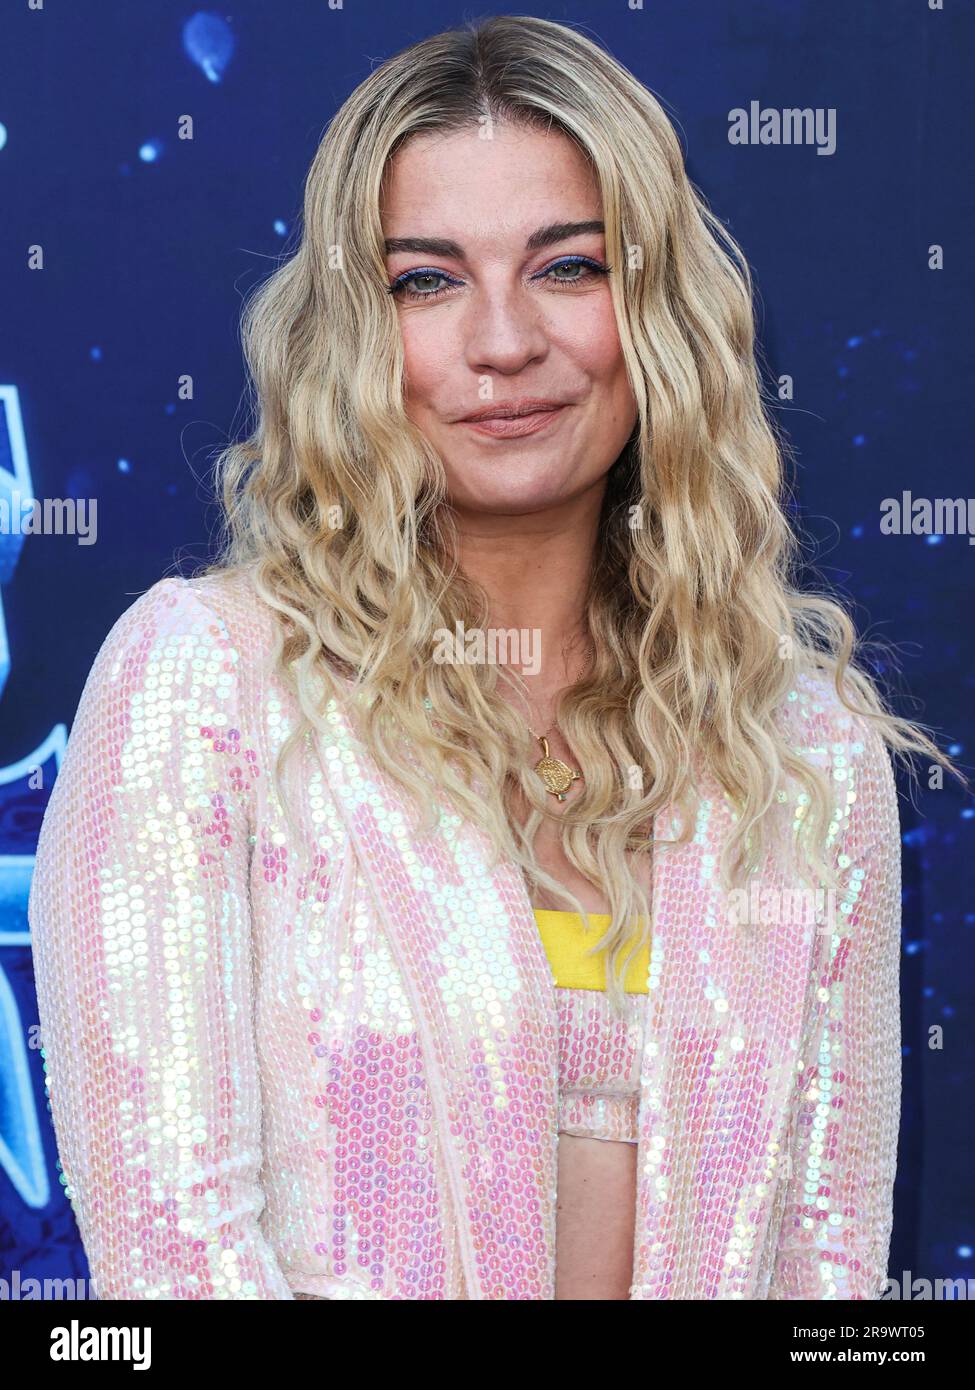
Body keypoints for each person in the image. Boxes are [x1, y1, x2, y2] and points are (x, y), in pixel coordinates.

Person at [28, 15, 958, 1301]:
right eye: (428, 280)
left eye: (568, 267)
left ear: (657, 308)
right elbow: (174, 1261)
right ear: (353, 327)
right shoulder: (204, 687)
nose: (504, 340)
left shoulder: (804, 747)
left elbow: (830, 1269)